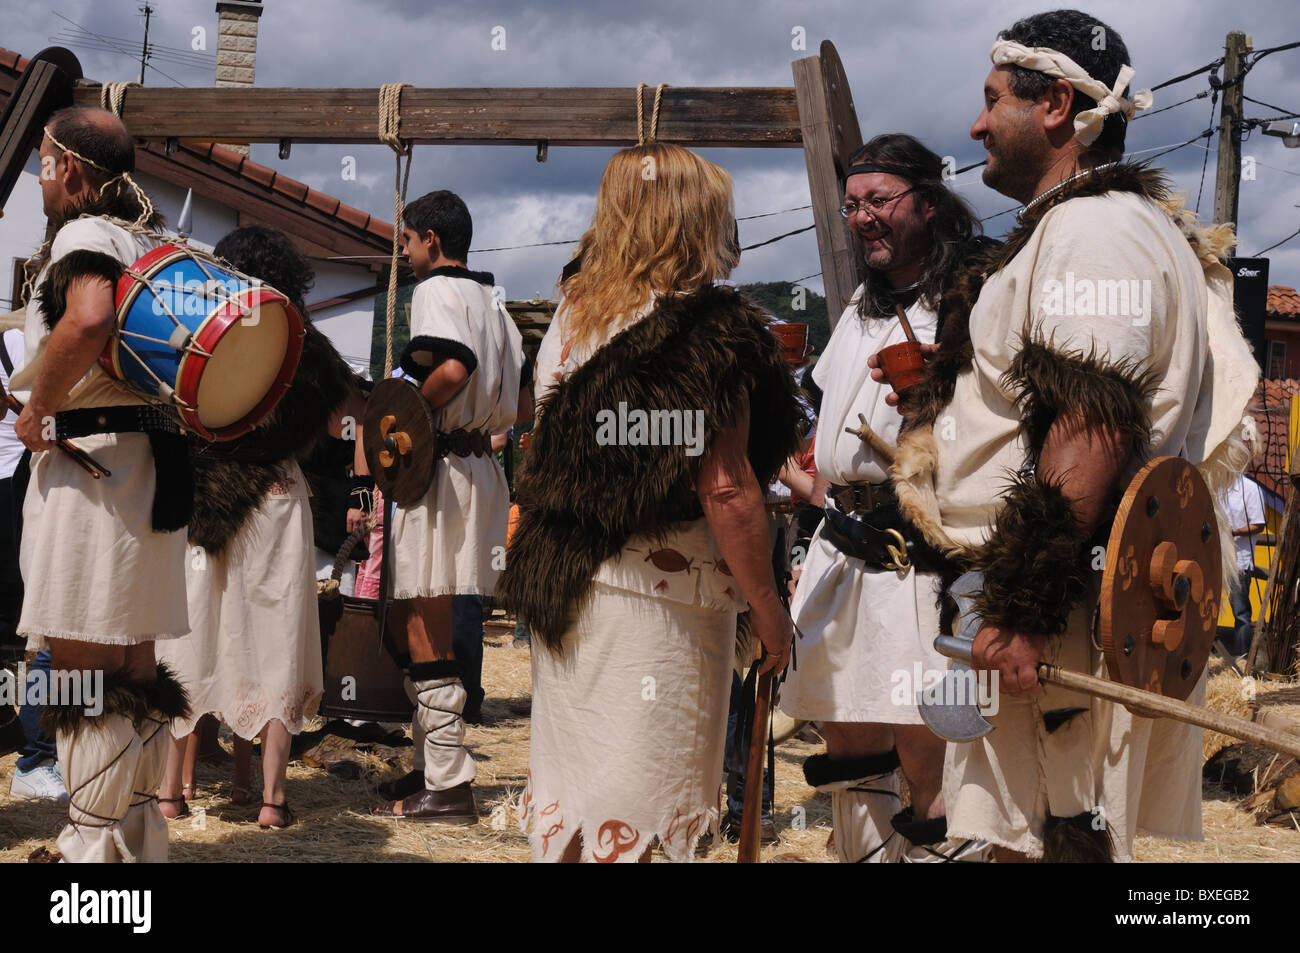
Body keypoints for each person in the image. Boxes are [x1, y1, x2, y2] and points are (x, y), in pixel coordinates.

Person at [885, 10, 1259, 862]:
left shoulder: (1096, 231)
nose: (976, 123)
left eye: (991, 101)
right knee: (1035, 844)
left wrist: (1018, 608)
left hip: (1064, 612)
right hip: (1057, 602)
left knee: (1062, 843)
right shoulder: (1084, 227)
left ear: (1056, 104)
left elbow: (1092, 424)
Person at [500, 143, 803, 862]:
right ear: (692, 221)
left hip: (569, 589)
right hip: (661, 606)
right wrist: (770, 613)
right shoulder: (710, 335)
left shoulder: (573, 317)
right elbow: (725, 487)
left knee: (578, 808)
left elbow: (543, 448)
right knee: (644, 812)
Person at [782, 134, 992, 863]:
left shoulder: (976, 302)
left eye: (879, 201)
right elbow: (827, 426)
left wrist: (942, 393)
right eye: (852, 205)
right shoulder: (859, 311)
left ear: (928, 204)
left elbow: (1009, 430)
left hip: (923, 558)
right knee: (849, 741)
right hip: (845, 551)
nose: (862, 217)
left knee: (930, 750)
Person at [10, 106, 191, 862]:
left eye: (45, 165)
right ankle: (135, 840)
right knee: (134, 668)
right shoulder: (148, 238)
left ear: (73, 172)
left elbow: (87, 320)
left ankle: (88, 851)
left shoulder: (84, 234)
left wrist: (38, 408)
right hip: (147, 473)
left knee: (84, 671)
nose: (41, 180)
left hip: (93, 477)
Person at [155, 225, 361, 829]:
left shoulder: (200, 330)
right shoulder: (305, 340)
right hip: (276, 495)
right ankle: (272, 799)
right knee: (275, 637)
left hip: (208, 494)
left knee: (190, 634)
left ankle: (170, 792)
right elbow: (339, 418)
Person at [371, 190, 524, 823]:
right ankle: (429, 769)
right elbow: (524, 399)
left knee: (421, 621)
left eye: (406, 242)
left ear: (431, 239)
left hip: (440, 473)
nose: (404, 255)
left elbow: (454, 367)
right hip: (481, 471)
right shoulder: (497, 303)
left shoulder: (435, 291)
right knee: (430, 614)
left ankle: (448, 785)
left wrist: (412, 420)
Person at [1220, 474, 1265, 656]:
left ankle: (1242, 656)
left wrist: (1233, 532)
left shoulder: (1250, 488)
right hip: (1216, 558)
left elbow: (1259, 524)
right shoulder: (1218, 484)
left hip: (1239, 560)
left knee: (1241, 614)